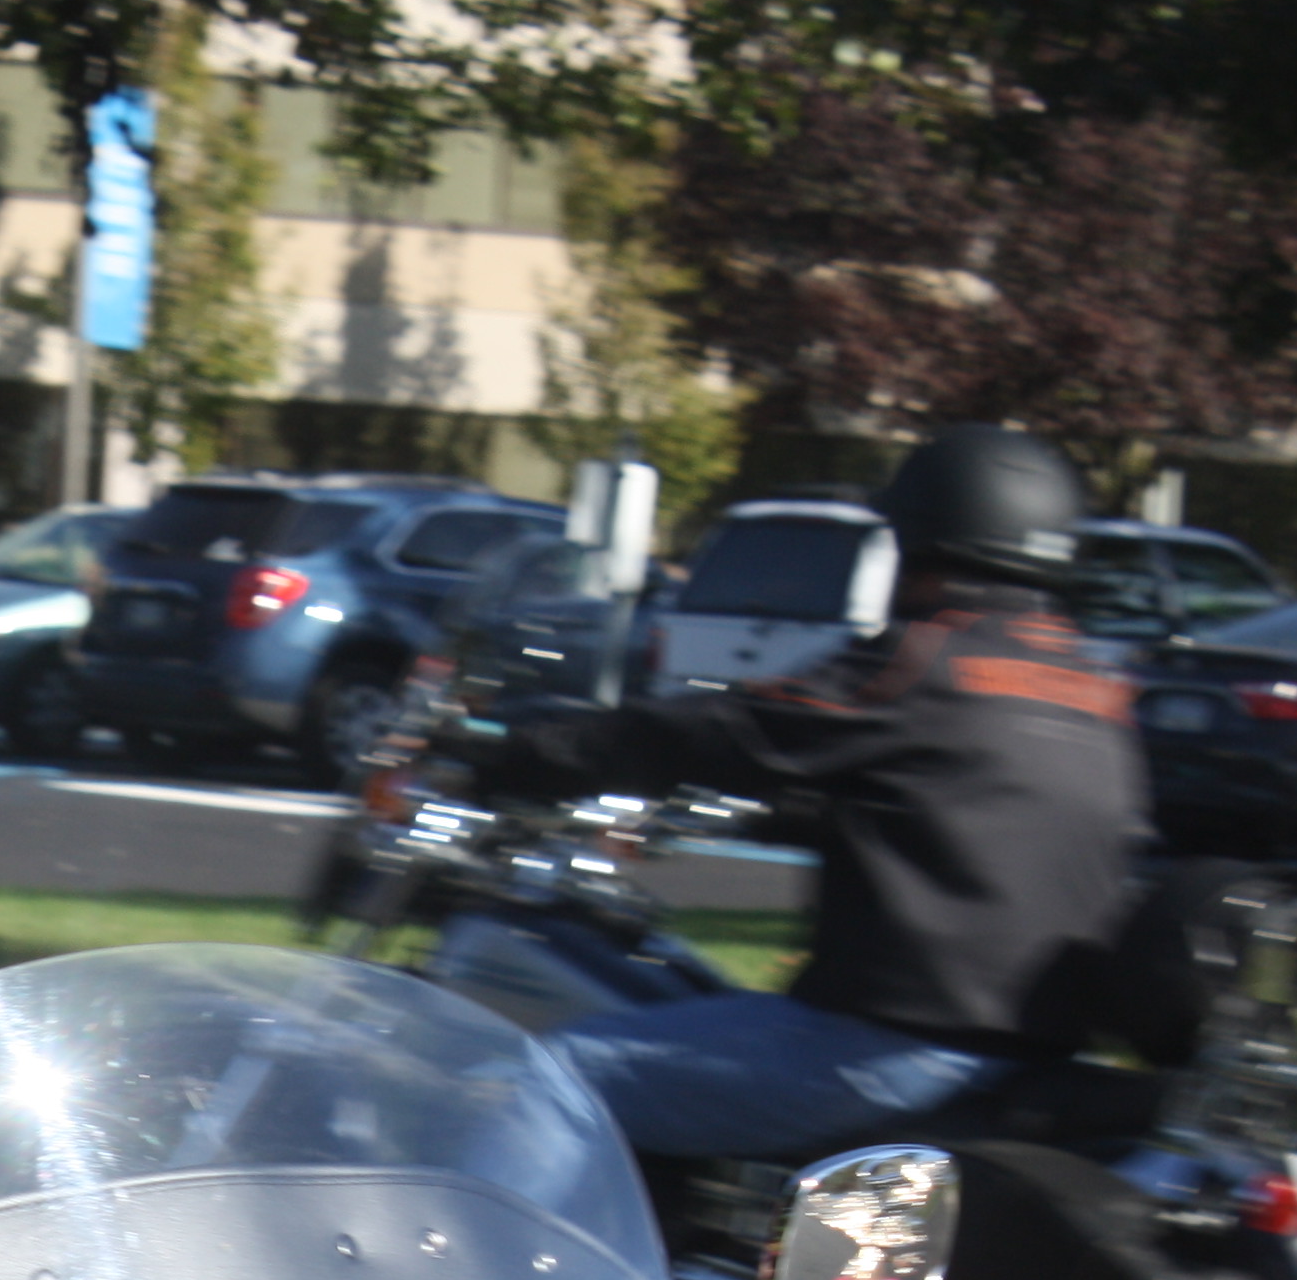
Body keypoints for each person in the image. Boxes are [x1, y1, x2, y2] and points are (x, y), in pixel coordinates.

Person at [471, 424, 1147, 1160]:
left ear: (919, 542)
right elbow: (949, 807)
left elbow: (729, 730)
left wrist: (516, 752)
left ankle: (485, 1276)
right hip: (1030, 1047)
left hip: (892, 1049)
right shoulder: (1095, 688)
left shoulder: (922, 660)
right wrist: (784, 816)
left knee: (549, 1073)